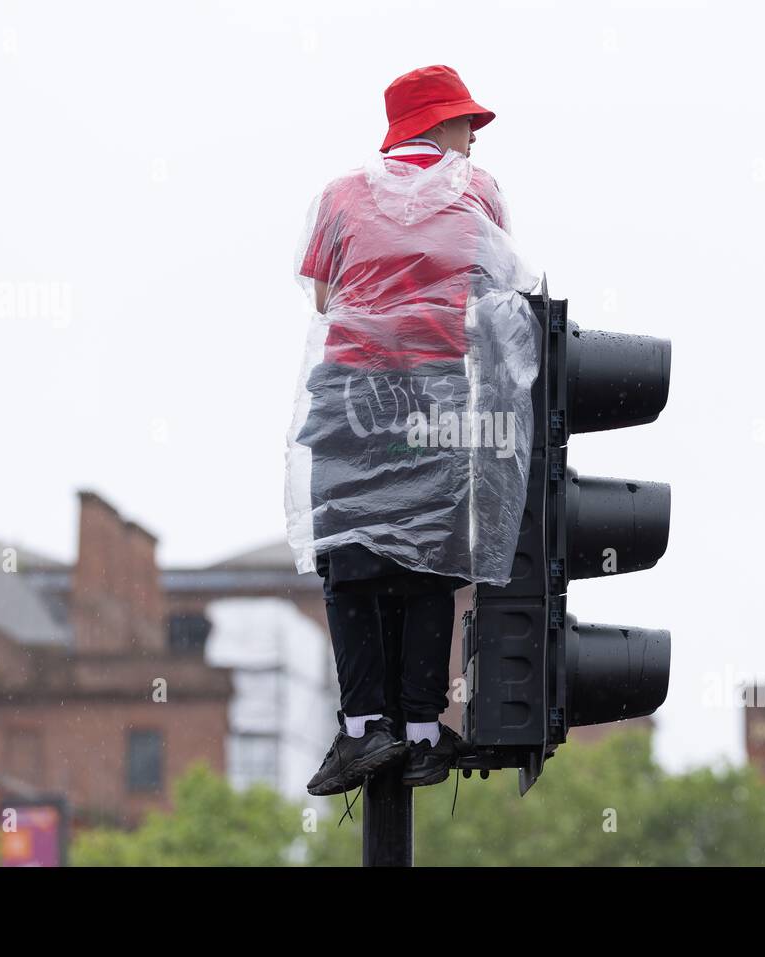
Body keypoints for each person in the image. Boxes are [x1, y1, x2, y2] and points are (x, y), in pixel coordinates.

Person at [287, 65, 538, 797]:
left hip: (352, 397)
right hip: (437, 399)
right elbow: (500, 289)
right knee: (429, 560)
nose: (473, 137)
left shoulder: (338, 196)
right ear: (438, 125)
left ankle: (365, 729)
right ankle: (425, 736)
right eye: (467, 123)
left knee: (350, 559)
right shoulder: (479, 191)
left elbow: (328, 297)